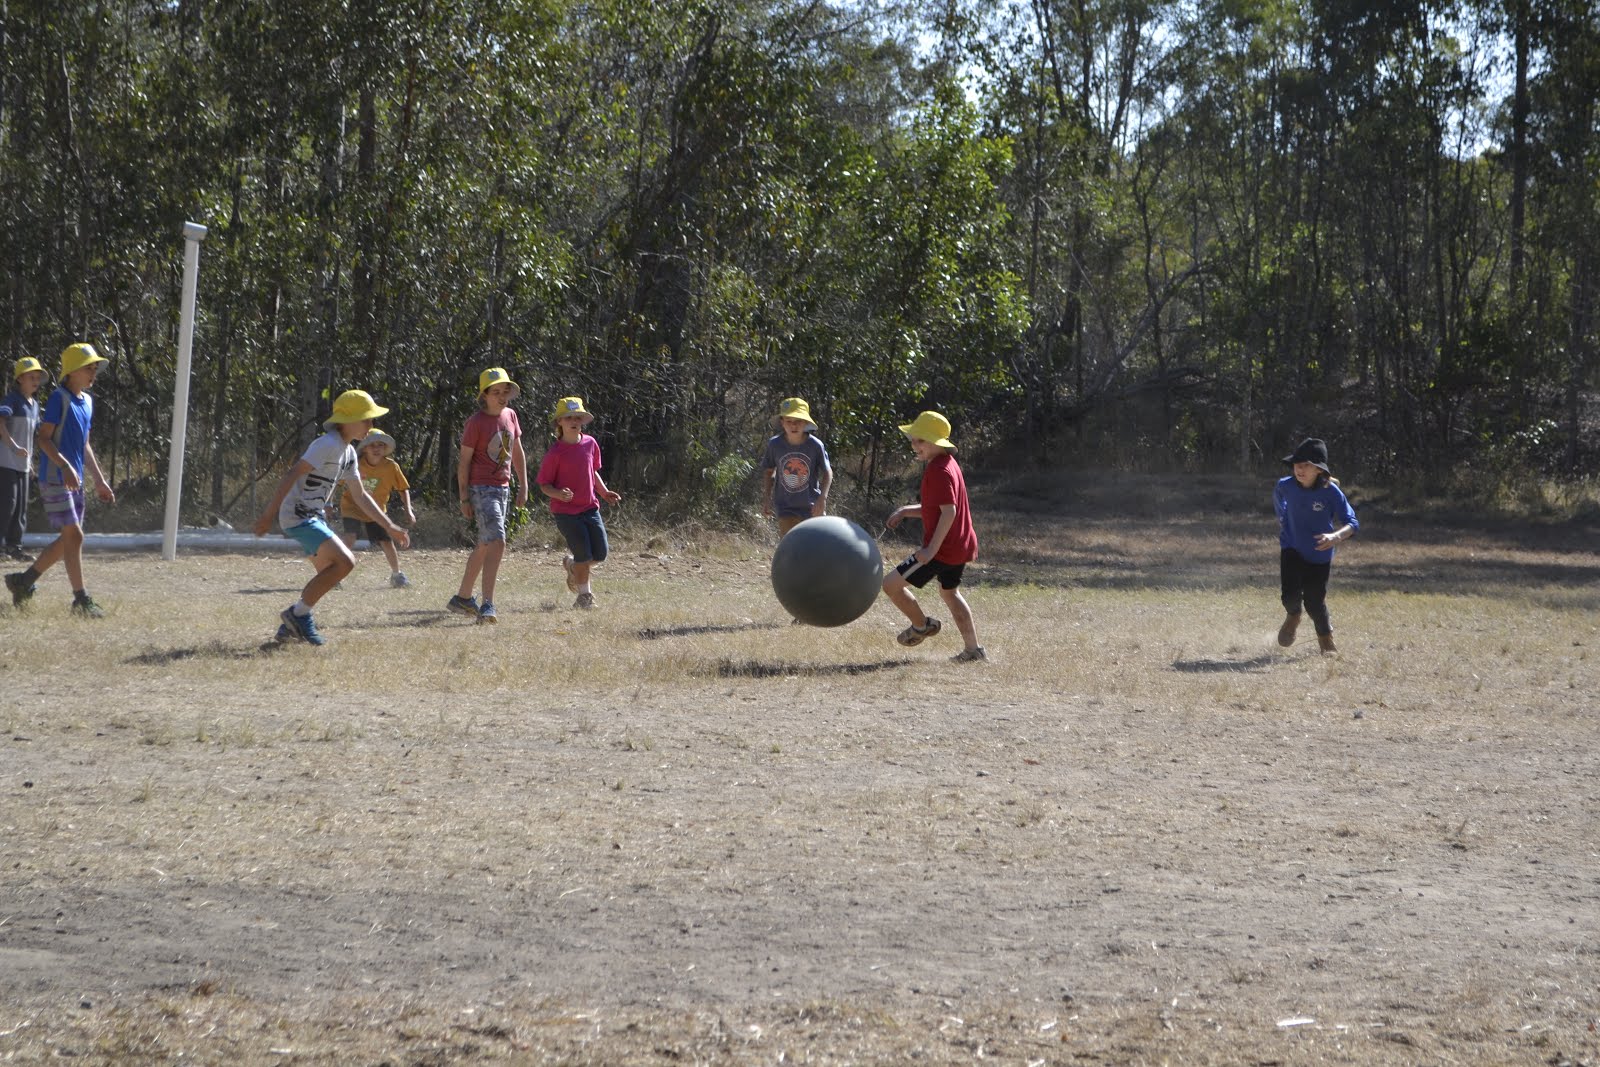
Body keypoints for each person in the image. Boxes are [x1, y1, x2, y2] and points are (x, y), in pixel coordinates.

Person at [253, 389, 410, 646]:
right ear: (347, 421)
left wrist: (390, 525)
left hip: (312, 517)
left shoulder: (348, 453)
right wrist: (268, 515)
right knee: (346, 562)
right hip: (298, 515)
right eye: (367, 419)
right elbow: (293, 473)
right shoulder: (326, 445)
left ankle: (291, 626)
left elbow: (360, 496)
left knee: (331, 571)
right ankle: (298, 615)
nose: (371, 426)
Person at [5, 344, 115, 616]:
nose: (93, 373)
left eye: (94, 368)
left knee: (69, 540)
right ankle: (81, 600)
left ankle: (24, 581)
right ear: (72, 372)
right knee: (75, 535)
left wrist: (99, 480)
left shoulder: (88, 402)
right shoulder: (58, 398)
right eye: (88, 368)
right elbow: (43, 439)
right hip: (55, 477)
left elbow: (85, 444)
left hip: (74, 481)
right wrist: (64, 466)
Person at [881, 410, 984, 662]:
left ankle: (921, 625)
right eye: (914, 439)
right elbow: (937, 509)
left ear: (937, 443)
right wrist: (906, 510)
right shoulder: (949, 464)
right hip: (959, 545)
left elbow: (949, 512)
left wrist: (930, 550)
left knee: (890, 585)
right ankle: (973, 651)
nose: (915, 445)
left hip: (942, 550)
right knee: (950, 594)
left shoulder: (938, 471)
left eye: (921, 440)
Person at [450, 367, 529, 624]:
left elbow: (517, 453)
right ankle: (488, 604)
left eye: (505, 391)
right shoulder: (475, 423)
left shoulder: (511, 416)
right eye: (496, 392)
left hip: (503, 488)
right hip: (481, 489)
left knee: (485, 544)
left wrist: (523, 484)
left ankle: (462, 598)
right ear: (484, 395)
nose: (502, 396)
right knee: (498, 541)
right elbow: (464, 463)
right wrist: (464, 498)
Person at [1275, 437, 1358, 654]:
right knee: (1289, 597)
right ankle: (1293, 616)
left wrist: (1335, 537)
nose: (1299, 469)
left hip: (1319, 555)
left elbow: (1352, 523)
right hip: (1291, 548)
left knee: (1314, 602)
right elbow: (1279, 495)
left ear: (1319, 470)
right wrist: (1282, 515)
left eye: (1306, 465)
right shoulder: (1286, 485)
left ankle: (1325, 639)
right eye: (1297, 465)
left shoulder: (1331, 492)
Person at [537, 396, 621, 609]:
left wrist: (603, 492)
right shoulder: (555, 453)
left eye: (578, 417)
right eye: (568, 418)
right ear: (559, 423)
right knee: (584, 554)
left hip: (590, 508)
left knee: (600, 553)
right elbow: (544, 485)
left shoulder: (590, 443)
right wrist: (558, 494)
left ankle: (573, 566)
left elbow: (592, 471)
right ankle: (584, 597)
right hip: (566, 513)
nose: (574, 421)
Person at [338, 427, 416, 587]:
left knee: (386, 542)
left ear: (385, 449)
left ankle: (397, 575)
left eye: (380, 445)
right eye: (372, 445)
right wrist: (327, 504)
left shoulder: (391, 467)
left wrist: (408, 509)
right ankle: (335, 576)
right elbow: (336, 483)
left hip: (377, 511)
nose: (376, 448)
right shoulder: (354, 464)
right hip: (352, 507)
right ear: (365, 448)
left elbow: (403, 489)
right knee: (349, 538)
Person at [761, 397, 833, 538]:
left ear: (805, 423)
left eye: (798, 421)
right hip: (785, 507)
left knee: (815, 546)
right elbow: (769, 471)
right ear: (782, 422)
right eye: (789, 421)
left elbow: (828, 472)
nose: (793, 426)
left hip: (812, 507)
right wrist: (767, 498)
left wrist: (822, 498)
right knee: (791, 547)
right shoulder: (774, 445)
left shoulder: (815, 445)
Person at [0, 356, 46, 561]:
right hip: (6, 461)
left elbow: (34, 435)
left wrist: (32, 464)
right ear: (20, 379)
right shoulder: (12, 400)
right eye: (31, 377)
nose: (35, 381)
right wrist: (13, 446)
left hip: (24, 465)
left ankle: (14, 546)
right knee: (7, 503)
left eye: (38, 378)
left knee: (21, 507)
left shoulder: (35, 405)